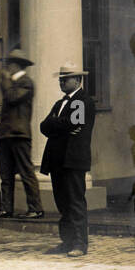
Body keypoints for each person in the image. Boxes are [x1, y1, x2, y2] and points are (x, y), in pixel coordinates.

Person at [39, 63, 96, 258]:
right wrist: (57, 124)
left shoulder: (82, 101)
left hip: (73, 159)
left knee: (75, 202)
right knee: (62, 203)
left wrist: (55, 123)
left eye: (66, 78)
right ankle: (67, 241)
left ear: (78, 80)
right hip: (57, 160)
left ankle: (80, 243)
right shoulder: (59, 103)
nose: (62, 81)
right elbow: (43, 126)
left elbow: (74, 124)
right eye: (61, 78)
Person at [0, 47, 43, 220]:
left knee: (26, 172)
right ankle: (6, 208)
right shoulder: (14, 83)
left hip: (19, 134)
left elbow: (12, 98)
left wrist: (5, 81)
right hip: (6, 134)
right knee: (5, 174)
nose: (6, 68)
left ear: (16, 66)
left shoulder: (26, 82)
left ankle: (35, 208)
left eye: (9, 65)